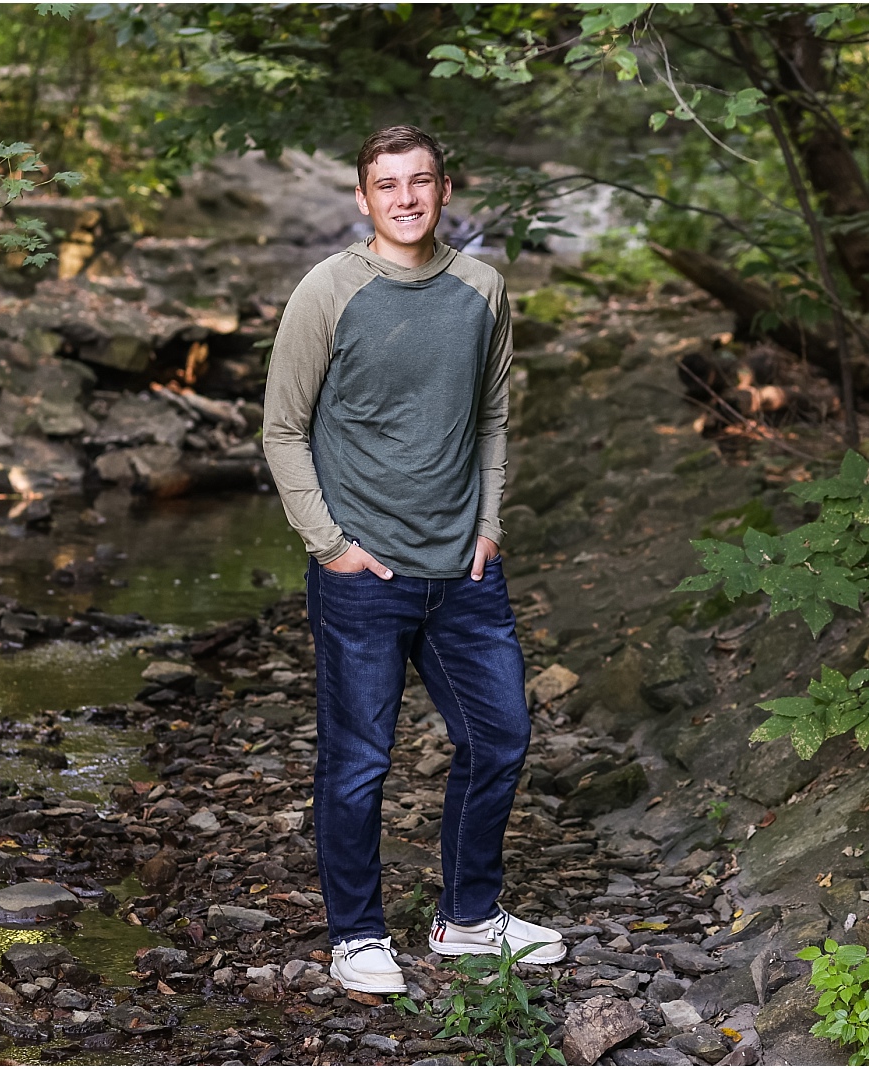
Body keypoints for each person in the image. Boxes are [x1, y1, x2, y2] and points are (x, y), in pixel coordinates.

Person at [262, 125, 565, 995]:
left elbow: (492, 418)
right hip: (366, 574)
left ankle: (469, 917)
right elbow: (283, 430)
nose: (405, 198)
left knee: (500, 734)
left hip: (464, 572)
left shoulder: (483, 288)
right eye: (387, 184)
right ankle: (356, 933)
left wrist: (489, 523)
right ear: (363, 199)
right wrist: (333, 547)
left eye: (420, 181)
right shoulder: (328, 291)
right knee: (358, 760)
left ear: (442, 189)